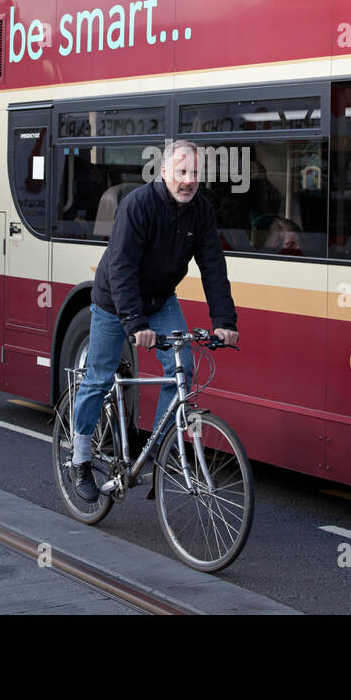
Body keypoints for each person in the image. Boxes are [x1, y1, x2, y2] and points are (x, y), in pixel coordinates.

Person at [72, 140, 239, 502]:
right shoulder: (138, 206)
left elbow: (213, 266)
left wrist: (224, 320)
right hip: (115, 301)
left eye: (195, 173)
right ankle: (80, 457)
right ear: (164, 173)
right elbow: (121, 267)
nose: (188, 181)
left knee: (183, 368)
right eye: (181, 172)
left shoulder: (201, 212)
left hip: (161, 300)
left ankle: (160, 453)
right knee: (99, 377)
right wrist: (135, 324)